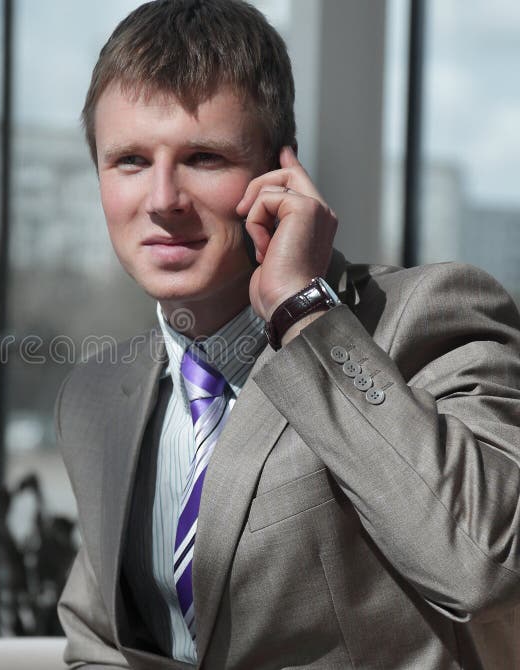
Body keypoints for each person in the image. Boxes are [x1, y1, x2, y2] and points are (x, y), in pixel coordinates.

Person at [55, 1, 520, 667]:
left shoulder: (426, 317)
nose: (161, 199)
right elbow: (99, 643)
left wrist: (303, 315)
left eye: (203, 158)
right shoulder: (97, 397)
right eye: (129, 160)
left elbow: (485, 567)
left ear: (280, 172)